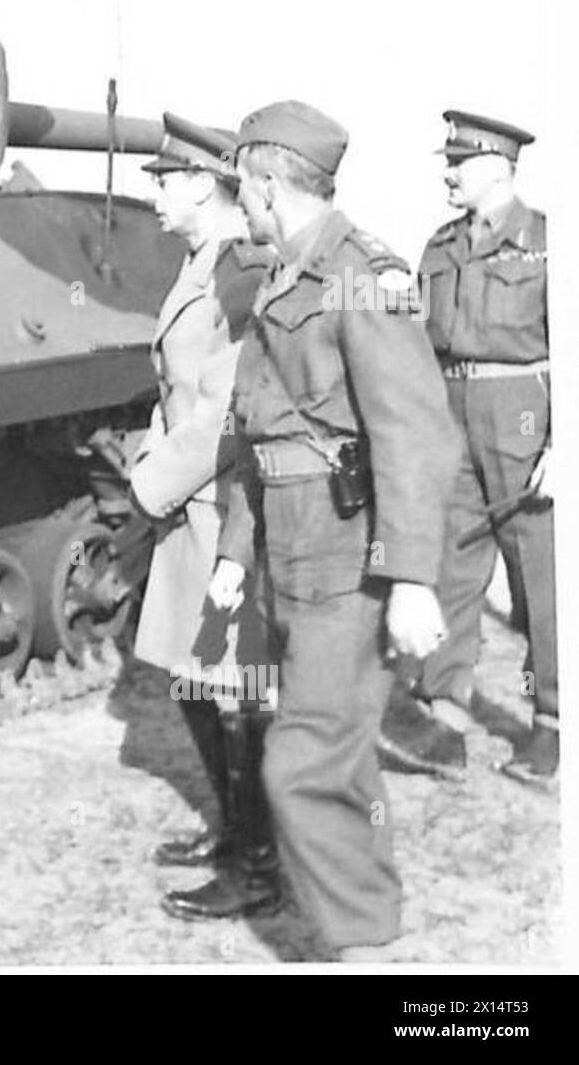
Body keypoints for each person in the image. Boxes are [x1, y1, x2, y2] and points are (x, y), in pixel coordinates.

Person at [211, 101, 459, 961]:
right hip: (291, 549)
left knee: (303, 766)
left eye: (238, 186)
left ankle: (364, 953)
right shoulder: (282, 276)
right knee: (341, 759)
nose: (235, 203)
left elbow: (414, 429)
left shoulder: (359, 273)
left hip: (348, 553)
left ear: (268, 183)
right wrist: (237, 559)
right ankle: (373, 937)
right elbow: (257, 432)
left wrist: (413, 578)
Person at [120, 112, 279, 921]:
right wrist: (152, 464)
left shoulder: (238, 273)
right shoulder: (199, 266)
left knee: (233, 689)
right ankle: (234, 832)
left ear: (208, 184)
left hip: (225, 508)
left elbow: (228, 406)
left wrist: (152, 485)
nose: (156, 190)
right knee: (193, 680)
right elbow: (172, 391)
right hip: (192, 502)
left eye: (168, 177)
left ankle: (259, 865)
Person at [407, 110, 556, 784]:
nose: (447, 172)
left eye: (458, 162)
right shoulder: (439, 246)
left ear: (497, 165)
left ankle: (551, 726)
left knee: (543, 575)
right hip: (449, 410)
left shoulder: (548, 242)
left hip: (521, 410)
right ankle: (446, 721)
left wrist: (564, 444)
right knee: (451, 562)